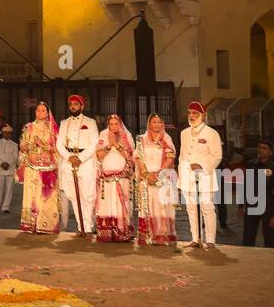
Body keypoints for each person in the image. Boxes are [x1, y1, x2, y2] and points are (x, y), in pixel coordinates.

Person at [178, 100, 222, 249]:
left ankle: (210, 240)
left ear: (202, 115)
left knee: (207, 207)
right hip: (187, 177)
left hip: (205, 176)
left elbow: (217, 156)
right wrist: (181, 178)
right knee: (190, 208)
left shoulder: (211, 133)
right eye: (189, 113)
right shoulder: (184, 133)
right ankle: (195, 238)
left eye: (194, 113)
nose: (191, 115)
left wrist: (202, 166)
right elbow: (182, 156)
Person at [17, 102, 61, 235]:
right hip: (32, 167)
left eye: (43, 110)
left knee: (47, 197)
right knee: (32, 196)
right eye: (38, 110)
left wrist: (44, 146)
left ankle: (46, 226)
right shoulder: (28, 127)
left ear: (47, 113)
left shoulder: (53, 129)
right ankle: (30, 224)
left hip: (49, 168)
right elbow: (22, 146)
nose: (40, 113)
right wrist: (30, 145)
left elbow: (58, 148)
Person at [57, 94, 98, 236]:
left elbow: (94, 144)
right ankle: (80, 227)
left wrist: (80, 158)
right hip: (69, 162)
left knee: (87, 196)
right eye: (71, 104)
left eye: (76, 104)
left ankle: (88, 226)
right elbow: (59, 144)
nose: (73, 106)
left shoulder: (90, 122)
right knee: (73, 196)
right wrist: (69, 157)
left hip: (85, 162)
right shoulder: (64, 123)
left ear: (82, 106)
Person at [134, 114, 177, 246]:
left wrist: (158, 175)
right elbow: (138, 158)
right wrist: (147, 174)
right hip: (146, 178)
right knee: (148, 207)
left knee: (161, 207)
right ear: (149, 124)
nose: (157, 124)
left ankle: (162, 236)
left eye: (159, 122)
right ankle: (147, 236)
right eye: (154, 122)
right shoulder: (141, 139)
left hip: (162, 178)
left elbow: (170, 158)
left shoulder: (166, 139)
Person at [94, 114, 136, 243]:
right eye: (111, 124)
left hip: (122, 176)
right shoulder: (103, 134)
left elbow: (130, 157)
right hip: (106, 177)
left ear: (120, 124)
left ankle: (122, 232)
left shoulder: (126, 136)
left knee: (120, 204)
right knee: (107, 204)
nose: (113, 127)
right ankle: (106, 232)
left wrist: (117, 145)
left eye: (116, 124)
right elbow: (98, 155)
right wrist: (109, 145)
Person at [242, 139, 274, 248]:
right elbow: (246, 185)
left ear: (270, 152)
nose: (261, 150)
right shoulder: (251, 164)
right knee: (248, 236)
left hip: (267, 205)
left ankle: (269, 261)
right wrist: (241, 206)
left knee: (269, 237)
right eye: (259, 147)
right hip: (252, 203)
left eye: (264, 148)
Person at [0, 124, 18, 213]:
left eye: (9, 133)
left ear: (11, 134)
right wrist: (1, 163)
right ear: (3, 133)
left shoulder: (14, 145)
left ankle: (6, 207)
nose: (7, 134)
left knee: (9, 189)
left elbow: (15, 157)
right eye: (5, 132)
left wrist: (8, 164)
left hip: (10, 169)